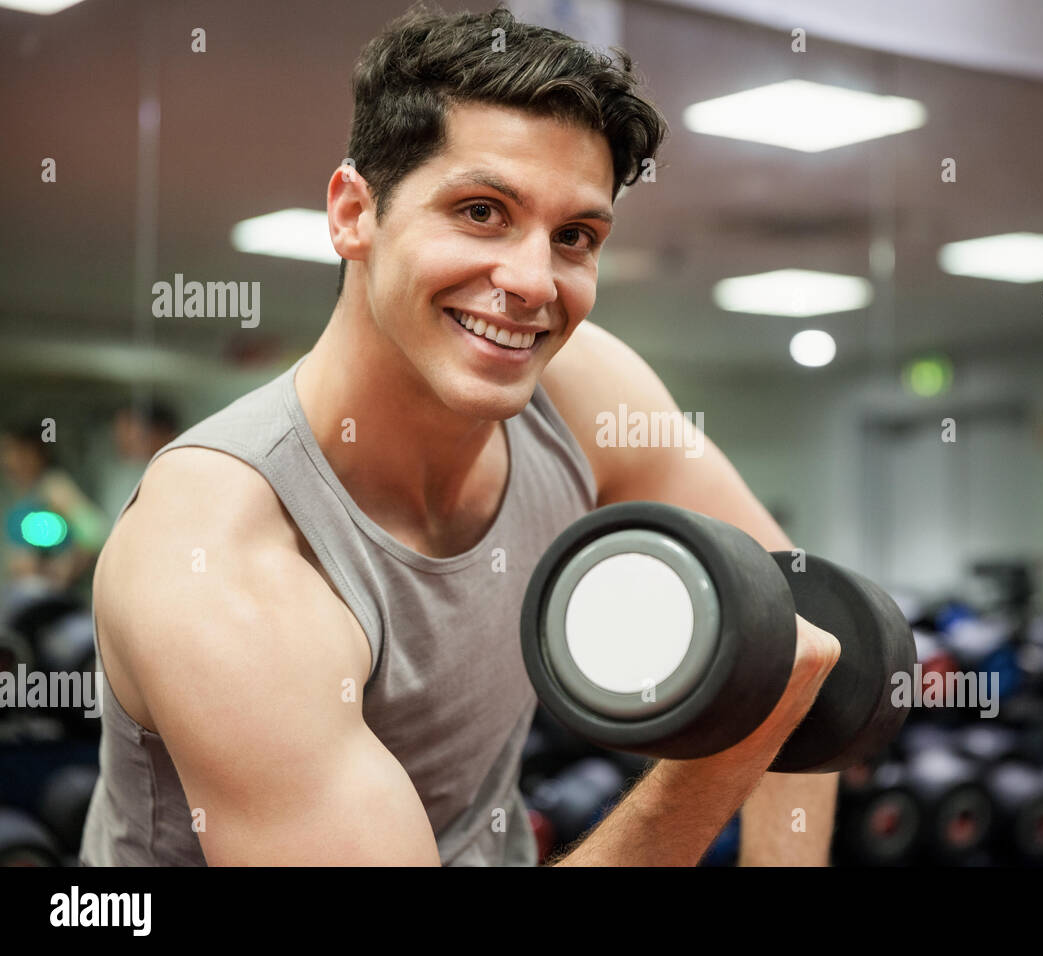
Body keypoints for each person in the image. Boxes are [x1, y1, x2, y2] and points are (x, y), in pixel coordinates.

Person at [83, 4, 840, 867]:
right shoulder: (220, 553)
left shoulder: (584, 388)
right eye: (482, 211)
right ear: (352, 212)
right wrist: (733, 751)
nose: (530, 281)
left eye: (574, 237)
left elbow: (803, 627)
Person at [1, 420, 108, 593]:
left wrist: (62, 568)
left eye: (14, 451)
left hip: (58, 600)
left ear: (33, 453)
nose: (7, 459)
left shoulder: (53, 486)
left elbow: (94, 532)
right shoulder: (20, 491)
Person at [97, 399, 182, 517]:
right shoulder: (121, 475)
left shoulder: (176, 476)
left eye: (131, 432)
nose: (121, 440)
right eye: (119, 432)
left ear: (161, 433)